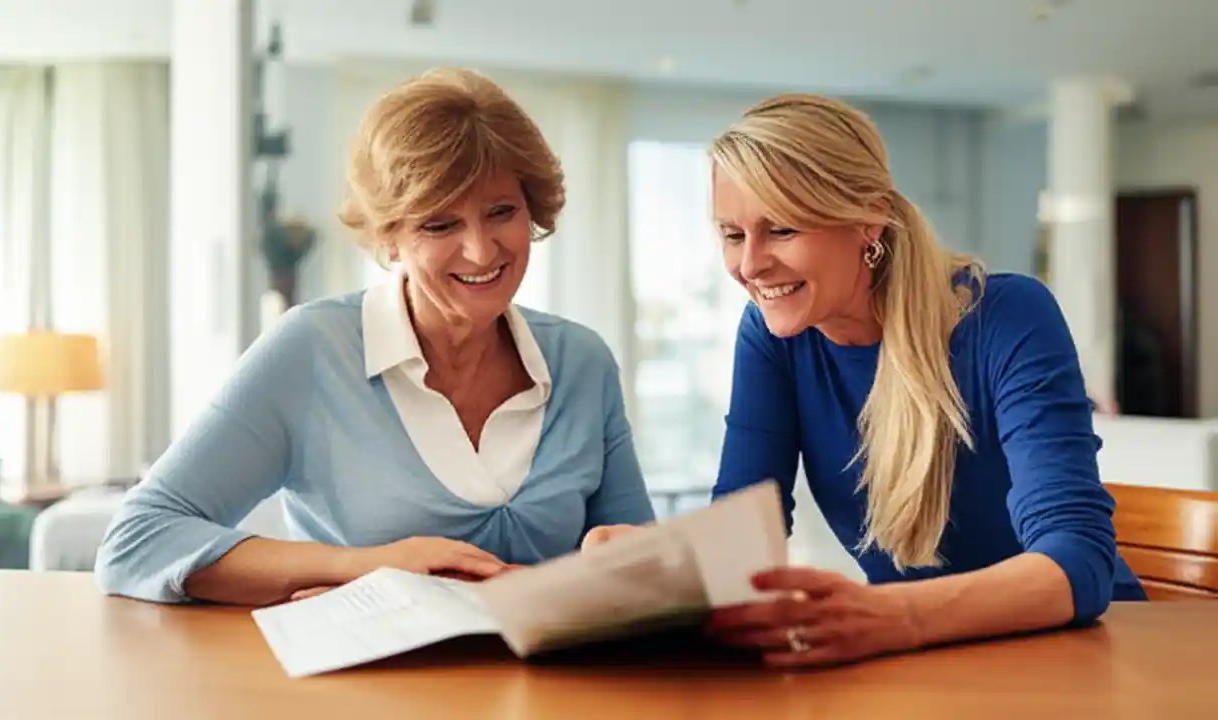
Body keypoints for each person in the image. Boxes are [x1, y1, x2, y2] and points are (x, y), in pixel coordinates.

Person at [588, 93, 1147, 667]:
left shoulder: (1007, 317)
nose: (750, 265)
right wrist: (654, 564)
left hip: (1072, 656)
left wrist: (897, 614)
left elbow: (1077, 559)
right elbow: (746, 534)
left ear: (868, 219)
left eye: (781, 229)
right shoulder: (772, 335)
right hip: (920, 662)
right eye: (732, 235)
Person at [95, 68, 653, 605]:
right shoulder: (311, 349)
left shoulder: (583, 361)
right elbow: (138, 540)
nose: (482, 251)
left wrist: (631, 564)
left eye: (501, 212)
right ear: (389, 237)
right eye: (440, 224)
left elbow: (643, 566)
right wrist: (360, 567)